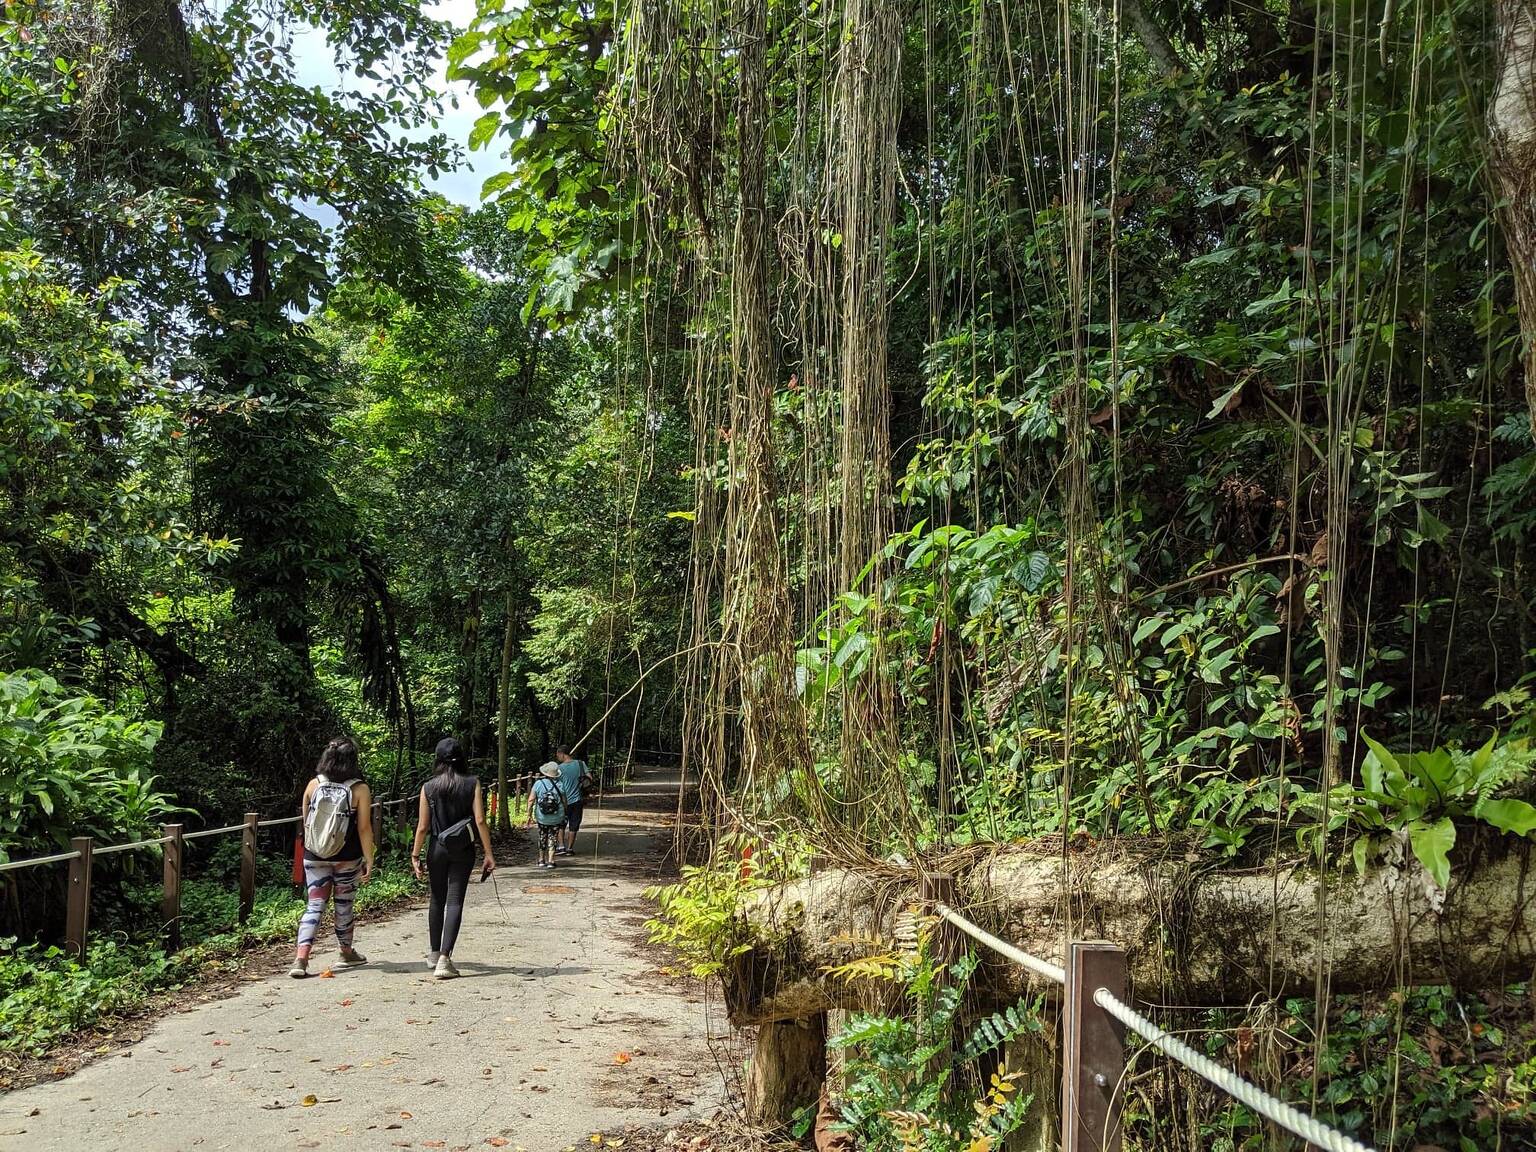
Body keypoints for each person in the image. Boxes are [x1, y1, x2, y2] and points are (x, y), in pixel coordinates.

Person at [411, 737, 497, 980]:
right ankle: (445, 959)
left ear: (438, 759)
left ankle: (433, 952)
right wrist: (489, 854)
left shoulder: (429, 787)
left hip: (437, 847)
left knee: (436, 899)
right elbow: (480, 820)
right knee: (455, 900)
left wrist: (415, 854)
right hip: (463, 849)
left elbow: (422, 826)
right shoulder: (472, 783)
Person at [289, 736, 374, 978]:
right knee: (344, 904)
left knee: (314, 904)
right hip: (347, 856)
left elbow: (307, 823)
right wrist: (369, 858)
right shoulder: (359, 789)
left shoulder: (313, 785)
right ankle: (346, 953)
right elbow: (364, 828)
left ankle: (301, 959)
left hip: (314, 854)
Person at [553, 745, 593, 857]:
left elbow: (555, 784)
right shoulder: (581, 764)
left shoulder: (559, 768)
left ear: (562, 754)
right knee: (574, 824)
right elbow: (589, 778)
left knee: (561, 824)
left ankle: (561, 846)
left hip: (562, 801)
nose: (557, 757)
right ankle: (570, 848)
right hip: (577, 800)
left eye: (558, 755)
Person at [527, 762, 566, 869]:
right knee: (553, 837)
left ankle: (541, 859)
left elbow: (531, 800)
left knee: (542, 836)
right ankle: (551, 861)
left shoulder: (538, 784)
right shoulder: (560, 784)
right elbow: (564, 801)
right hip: (556, 817)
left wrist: (529, 814)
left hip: (541, 817)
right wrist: (565, 812)